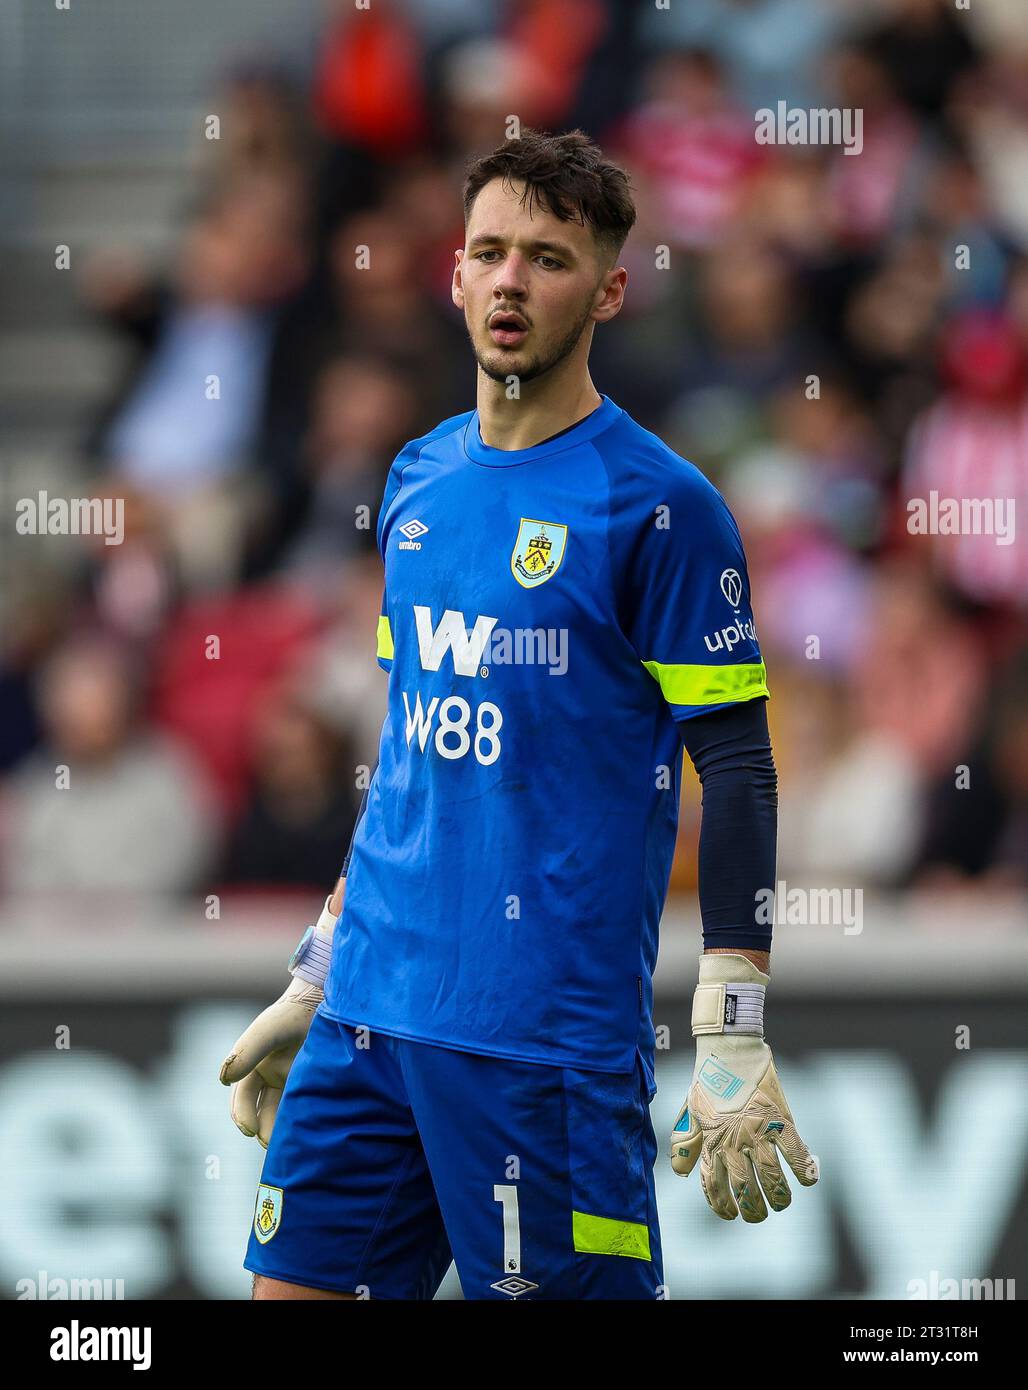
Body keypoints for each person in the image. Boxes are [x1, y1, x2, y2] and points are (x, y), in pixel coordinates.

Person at [220, 129, 817, 1301]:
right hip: (367, 1022)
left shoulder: (660, 509)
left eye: (546, 258)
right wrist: (321, 967)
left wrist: (733, 1018)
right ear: (452, 274)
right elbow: (410, 757)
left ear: (606, 289)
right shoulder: (417, 477)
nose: (508, 280)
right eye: (488, 252)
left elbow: (738, 769)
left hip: (539, 1049)